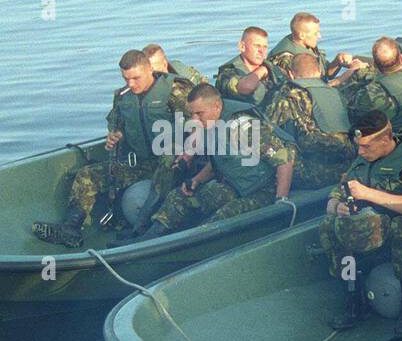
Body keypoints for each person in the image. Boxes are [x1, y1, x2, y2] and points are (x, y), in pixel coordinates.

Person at [32, 50, 193, 248]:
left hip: (175, 162)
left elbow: (197, 125)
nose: (131, 84)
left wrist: (185, 152)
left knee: (167, 161)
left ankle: (140, 231)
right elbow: (116, 123)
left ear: (150, 69)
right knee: (88, 175)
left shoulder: (174, 91)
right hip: (142, 163)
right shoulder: (123, 97)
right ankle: (70, 228)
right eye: (126, 79)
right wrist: (116, 135)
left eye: (136, 78)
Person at [318, 110, 402, 335]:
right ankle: (353, 296)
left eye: (366, 147)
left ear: (385, 139)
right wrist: (338, 207)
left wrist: (367, 193)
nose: (360, 152)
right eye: (358, 146)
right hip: (372, 227)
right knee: (330, 225)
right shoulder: (362, 161)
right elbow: (333, 197)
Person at [131, 84, 297, 240]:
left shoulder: (244, 126)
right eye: (192, 114)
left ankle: (193, 245)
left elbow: (284, 160)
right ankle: (148, 239)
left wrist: (281, 200)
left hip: (262, 189)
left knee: (220, 219)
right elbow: (219, 161)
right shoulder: (211, 125)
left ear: (216, 106)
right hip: (236, 183)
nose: (195, 119)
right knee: (179, 197)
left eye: (199, 113)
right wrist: (197, 180)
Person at [264, 53, 355, 189]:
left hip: (313, 171)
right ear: (319, 71)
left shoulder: (287, 95)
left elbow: (270, 130)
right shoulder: (336, 92)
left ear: (290, 74)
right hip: (349, 162)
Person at [350, 36, 402, 129]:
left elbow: (354, 118)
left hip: (397, 138)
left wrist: (346, 76)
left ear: (374, 64)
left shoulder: (370, 93)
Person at [268, 12, 364, 84]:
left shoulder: (305, 44)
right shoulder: (286, 58)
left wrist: (337, 62)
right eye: (315, 33)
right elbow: (310, 90)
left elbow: (325, 74)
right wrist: (348, 73)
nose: (319, 36)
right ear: (302, 35)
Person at [215, 26, 288, 107]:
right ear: (242, 46)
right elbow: (245, 88)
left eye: (265, 47)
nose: (261, 51)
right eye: (257, 46)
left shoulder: (273, 69)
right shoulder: (228, 73)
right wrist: (262, 71)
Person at [143, 43, 207, 86]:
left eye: (152, 69)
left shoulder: (181, 72)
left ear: (165, 64)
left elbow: (202, 83)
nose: (150, 73)